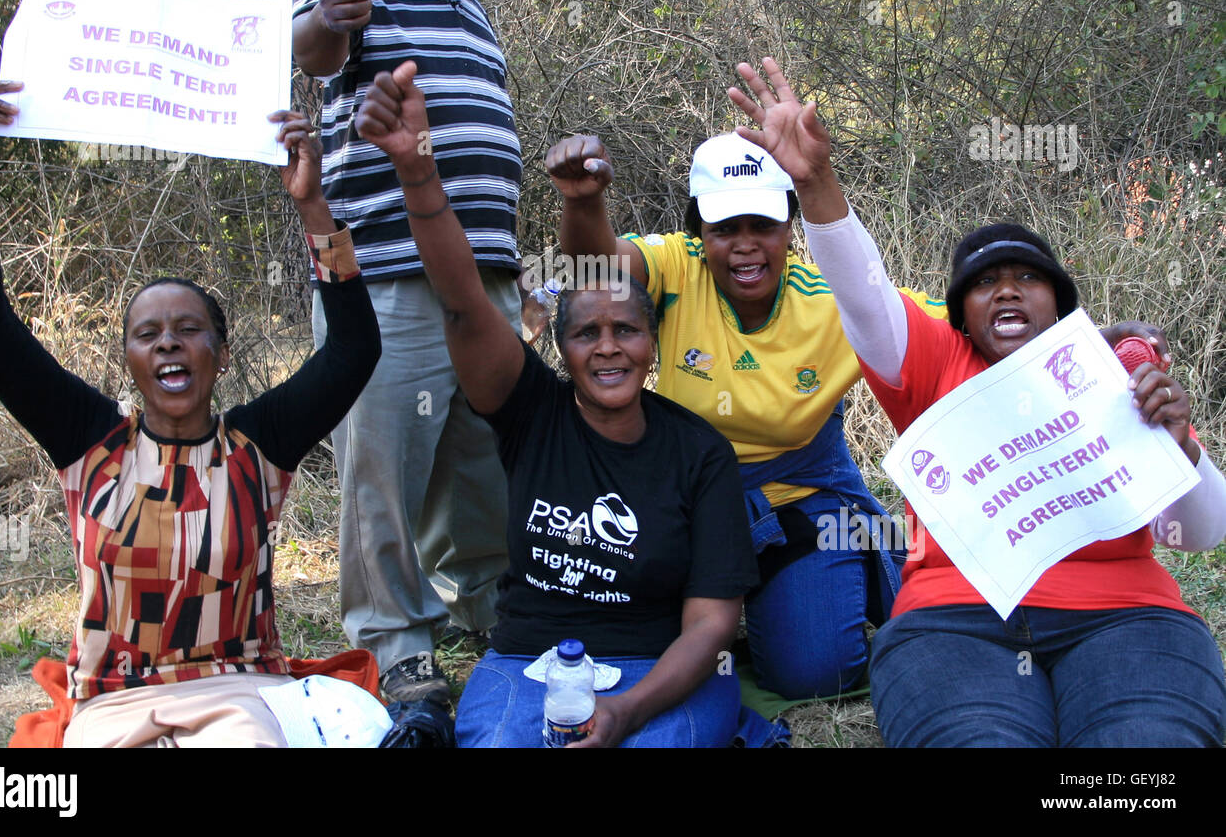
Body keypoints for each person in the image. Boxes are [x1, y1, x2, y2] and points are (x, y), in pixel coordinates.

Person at [728, 56, 1226, 746]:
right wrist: (815, 182)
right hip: (956, 626)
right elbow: (863, 293)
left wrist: (1183, 447)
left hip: (1129, 620)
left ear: (1060, 304)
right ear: (962, 313)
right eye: (986, 282)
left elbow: (1198, 535)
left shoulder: (1116, 374)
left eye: (1029, 276)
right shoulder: (933, 364)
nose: (1009, 290)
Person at [0, 78, 381, 747]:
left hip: (239, 690)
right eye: (149, 334)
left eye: (188, 328)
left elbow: (354, 348)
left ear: (221, 353)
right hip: (113, 701)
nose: (169, 341)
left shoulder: (256, 450)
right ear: (129, 359)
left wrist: (314, 204)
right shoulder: (88, 444)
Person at [354, 61, 761, 747]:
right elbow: (460, 302)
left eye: (626, 330)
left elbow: (713, 627)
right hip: (528, 663)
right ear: (562, 347)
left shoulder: (700, 454)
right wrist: (416, 172)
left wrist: (626, 713)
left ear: (652, 343)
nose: (608, 349)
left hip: (659, 669)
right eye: (586, 332)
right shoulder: (531, 415)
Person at [546, 132, 943, 701]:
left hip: (797, 501)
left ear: (790, 227)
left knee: (814, 672)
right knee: (619, 637)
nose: (745, 246)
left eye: (763, 225)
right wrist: (583, 201)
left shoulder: (830, 302)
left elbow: (959, 326)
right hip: (682, 501)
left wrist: (1092, 342)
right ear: (697, 233)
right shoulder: (675, 270)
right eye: (724, 229)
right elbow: (595, 275)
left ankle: (851, 558)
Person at [291, 0, 520, 703]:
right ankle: (395, 640)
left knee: (483, 451)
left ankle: (493, 608)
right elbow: (316, 49)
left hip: (486, 267)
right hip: (389, 264)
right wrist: (326, 18)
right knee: (383, 459)